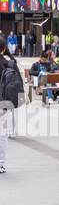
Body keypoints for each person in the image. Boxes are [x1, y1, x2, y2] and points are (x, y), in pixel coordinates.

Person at [0, 45, 24, 174]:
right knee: (2, 134)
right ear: (4, 49)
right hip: (4, 103)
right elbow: (18, 84)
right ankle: (1, 163)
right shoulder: (9, 63)